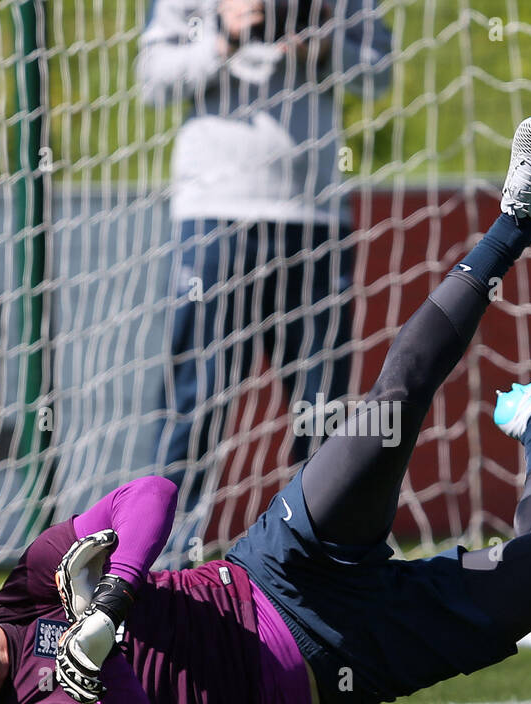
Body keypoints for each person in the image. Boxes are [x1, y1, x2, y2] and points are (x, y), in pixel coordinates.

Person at [0, 119, 531, 704]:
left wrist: (115, 593)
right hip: (333, 665)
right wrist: (106, 663)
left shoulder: (34, 585)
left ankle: (516, 221)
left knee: (388, 409)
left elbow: (153, 494)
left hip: (275, 566)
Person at [134, 0, 394, 564]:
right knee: (196, 399)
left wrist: (322, 45)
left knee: (320, 401)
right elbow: (152, 80)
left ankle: (321, 557)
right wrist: (223, 37)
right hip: (216, 210)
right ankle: (161, 560)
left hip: (315, 215)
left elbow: (380, 69)